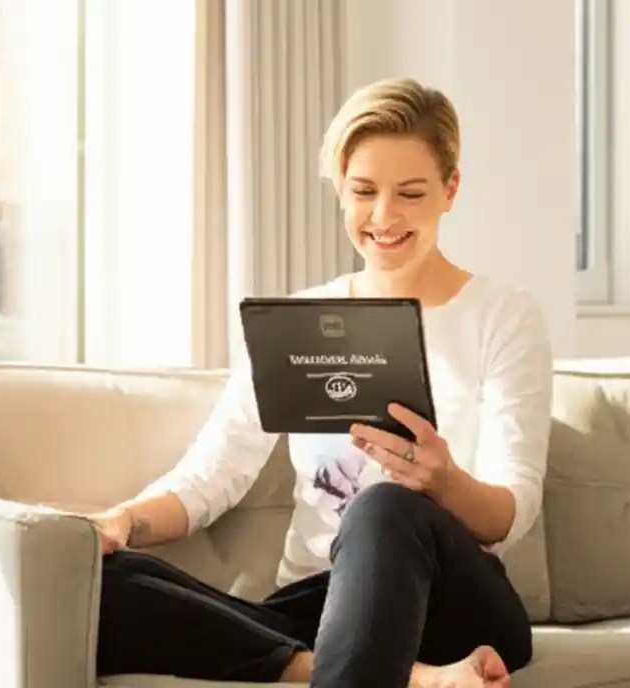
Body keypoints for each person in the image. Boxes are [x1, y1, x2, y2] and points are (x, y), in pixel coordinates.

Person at [87, 77, 553, 688]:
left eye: (410, 193)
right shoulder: (300, 321)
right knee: (99, 583)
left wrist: (446, 483)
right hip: (320, 606)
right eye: (363, 192)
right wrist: (122, 521)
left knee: (386, 505)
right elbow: (212, 477)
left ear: (450, 190)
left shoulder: (503, 316)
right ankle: (415, 679)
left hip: (455, 601)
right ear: (340, 192)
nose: (383, 217)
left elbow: (510, 511)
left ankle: (381, 666)